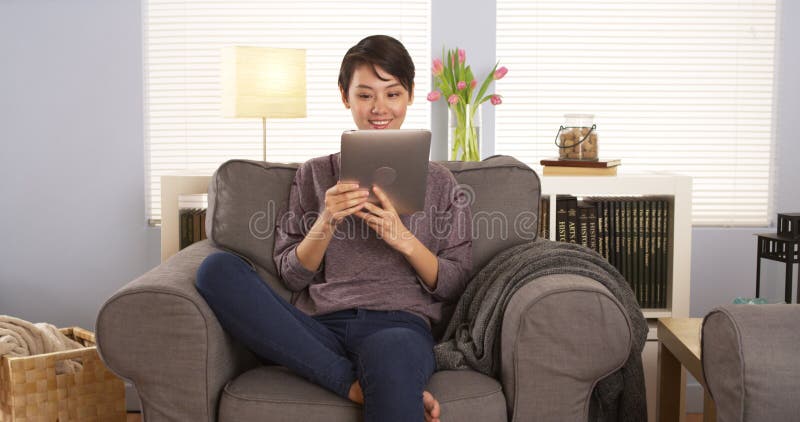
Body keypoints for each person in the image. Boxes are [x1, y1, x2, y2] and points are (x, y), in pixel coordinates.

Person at [195, 35, 472, 422]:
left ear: (410, 95)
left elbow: (456, 282)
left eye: (392, 94)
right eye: (364, 95)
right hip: (318, 327)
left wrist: (403, 240)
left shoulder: (442, 183)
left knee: (391, 356)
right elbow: (292, 275)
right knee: (215, 270)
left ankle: (375, 380)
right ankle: (356, 383)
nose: (379, 108)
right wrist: (326, 220)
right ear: (345, 97)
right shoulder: (314, 174)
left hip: (398, 326)